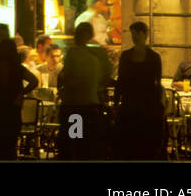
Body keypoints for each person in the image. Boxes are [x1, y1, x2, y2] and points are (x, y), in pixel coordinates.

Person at [57, 22, 113, 160]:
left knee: (74, 143)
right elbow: (106, 76)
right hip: (91, 105)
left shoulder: (73, 53)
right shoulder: (98, 53)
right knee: (87, 145)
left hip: (75, 106)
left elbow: (66, 78)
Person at [114, 21, 164, 160]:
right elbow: (121, 80)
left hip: (147, 105)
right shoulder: (125, 56)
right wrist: (116, 103)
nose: (134, 36)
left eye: (136, 33)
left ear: (145, 34)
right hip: (130, 103)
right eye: (132, 33)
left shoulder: (154, 57)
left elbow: (157, 82)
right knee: (130, 142)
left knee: (144, 143)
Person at [0, 27, 37, 160]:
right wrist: (21, 93)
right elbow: (34, 81)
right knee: (9, 146)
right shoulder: (17, 67)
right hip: (13, 110)